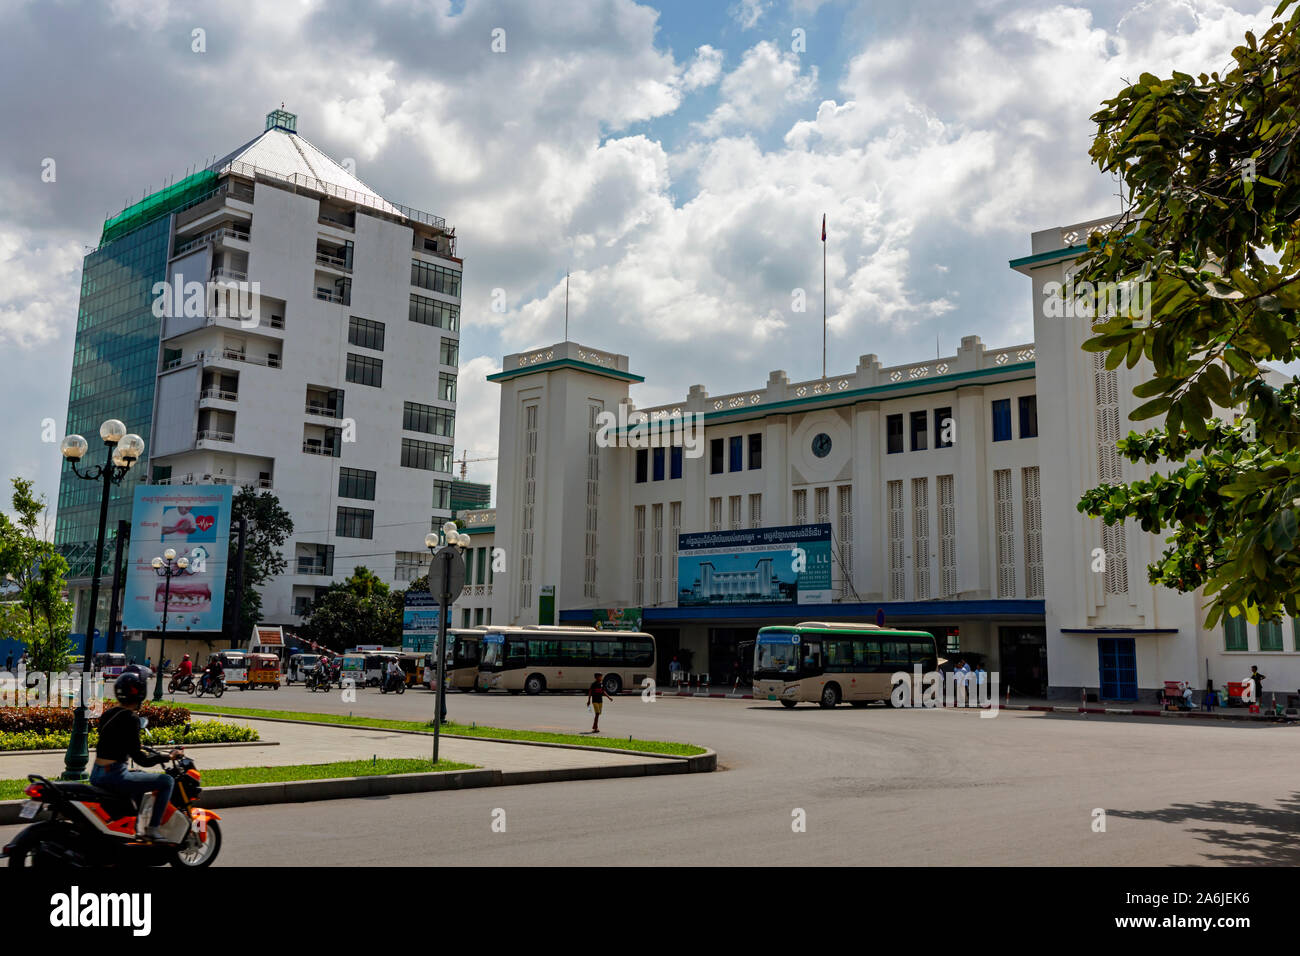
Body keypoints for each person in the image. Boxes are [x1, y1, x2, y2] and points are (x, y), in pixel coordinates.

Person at [91, 671, 184, 841]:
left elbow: (113, 742)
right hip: (114, 775)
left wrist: (134, 745)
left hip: (97, 773)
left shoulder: (108, 714)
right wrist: (168, 757)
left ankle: (134, 825)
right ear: (140, 694)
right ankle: (152, 829)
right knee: (166, 781)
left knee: (136, 776)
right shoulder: (131, 718)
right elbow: (142, 760)